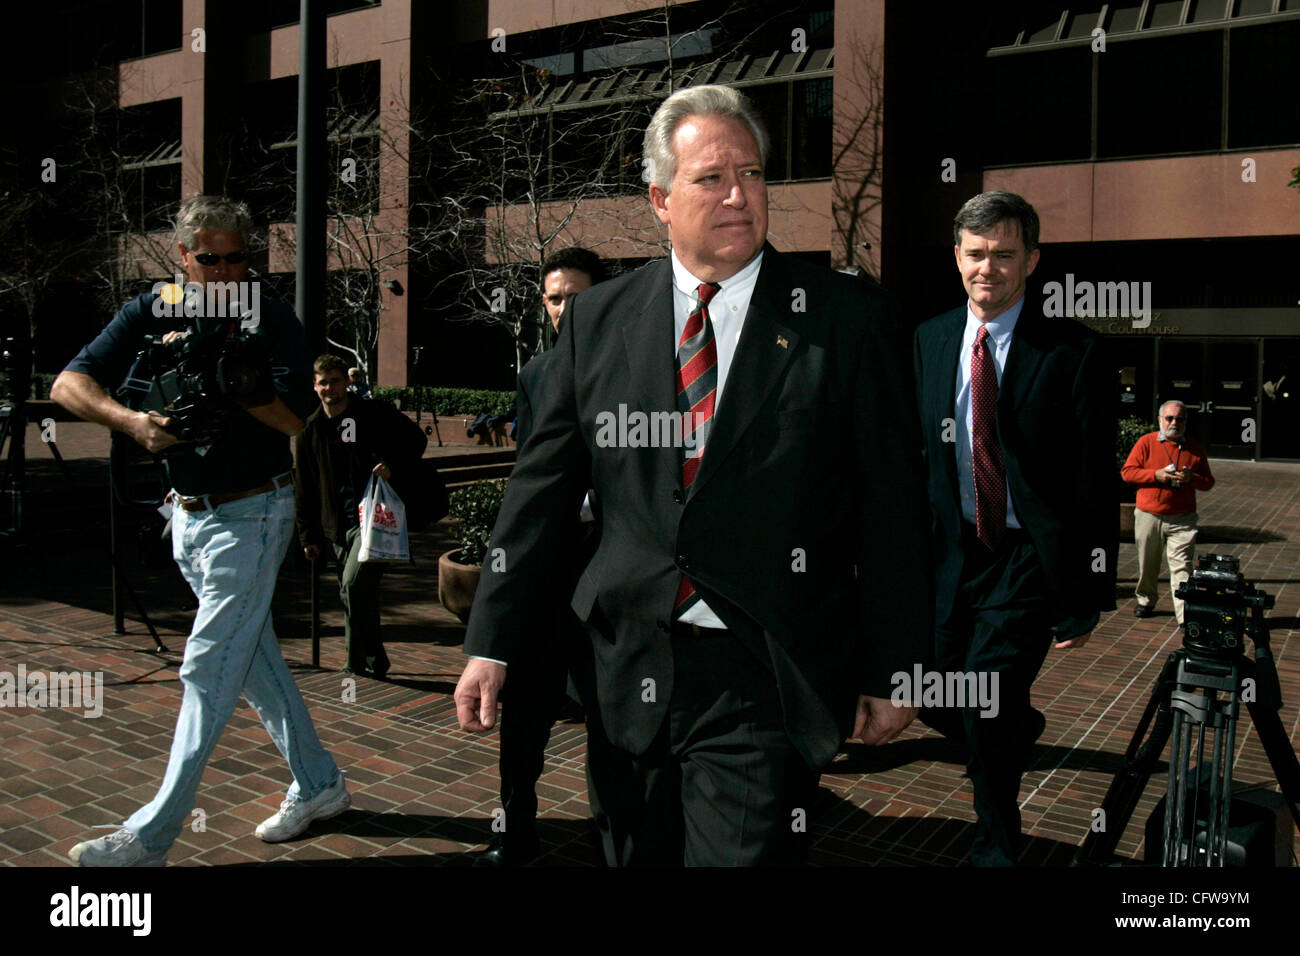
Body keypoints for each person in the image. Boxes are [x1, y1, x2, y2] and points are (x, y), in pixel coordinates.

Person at [454, 84, 933, 866]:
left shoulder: (845, 321)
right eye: (711, 178)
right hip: (624, 667)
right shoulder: (598, 321)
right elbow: (537, 496)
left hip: (764, 671)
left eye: (752, 173)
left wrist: (896, 663)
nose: (739, 194)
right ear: (660, 198)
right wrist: (493, 642)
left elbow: (893, 512)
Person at [53, 195, 349, 866]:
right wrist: (132, 422)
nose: (222, 273)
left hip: (254, 513)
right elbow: (69, 384)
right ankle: (321, 783)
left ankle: (151, 837)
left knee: (207, 666)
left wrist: (243, 387)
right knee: (254, 666)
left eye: (236, 258)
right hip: (186, 515)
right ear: (183, 257)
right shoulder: (154, 307)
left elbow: (300, 422)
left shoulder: (270, 316)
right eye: (207, 259)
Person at [913, 190, 1117, 866]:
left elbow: (1094, 480)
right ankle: (1014, 719)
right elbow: (920, 456)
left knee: (986, 702)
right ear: (956, 256)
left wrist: (1086, 590)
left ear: (1032, 259)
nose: (987, 268)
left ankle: (997, 841)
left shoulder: (1074, 352)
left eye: (1004, 255)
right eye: (975, 254)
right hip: (953, 553)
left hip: (1027, 556)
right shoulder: (931, 338)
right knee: (939, 693)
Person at [476, 247, 606, 867]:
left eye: (577, 298)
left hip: (608, 573)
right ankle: (514, 833)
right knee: (525, 711)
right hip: (548, 574)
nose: (564, 310)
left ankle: (615, 838)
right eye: (555, 299)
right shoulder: (537, 374)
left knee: (611, 717)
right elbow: (533, 480)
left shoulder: (636, 368)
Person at [296, 354, 428, 679]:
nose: (330, 388)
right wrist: (308, 535)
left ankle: (353, 665)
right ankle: (376, 659)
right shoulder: (310, 430)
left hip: (373, 520)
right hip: (335, 525)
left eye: (336, 381)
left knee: (352, 586)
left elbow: (416, 440)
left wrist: (392, 465)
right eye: (323, 382)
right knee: (358, 593)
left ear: (347, 382)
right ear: (315, 386)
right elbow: (305, 487)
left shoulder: (373, 414)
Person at [1121, 400, 1214, 623]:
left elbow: (1208, 482)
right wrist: (1155, 475)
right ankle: (1146, 599)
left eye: (1179, 419)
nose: (1174, 423)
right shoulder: (1146, 443)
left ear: (1185, 422)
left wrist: (1193, 478)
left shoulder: (1195, 448)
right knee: (1147, 563)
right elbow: (1127, 473)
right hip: (1149, 515)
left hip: (1182, 518)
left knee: (1182, 566)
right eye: (1169, 418)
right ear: (1160, 420)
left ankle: (1184, 615)